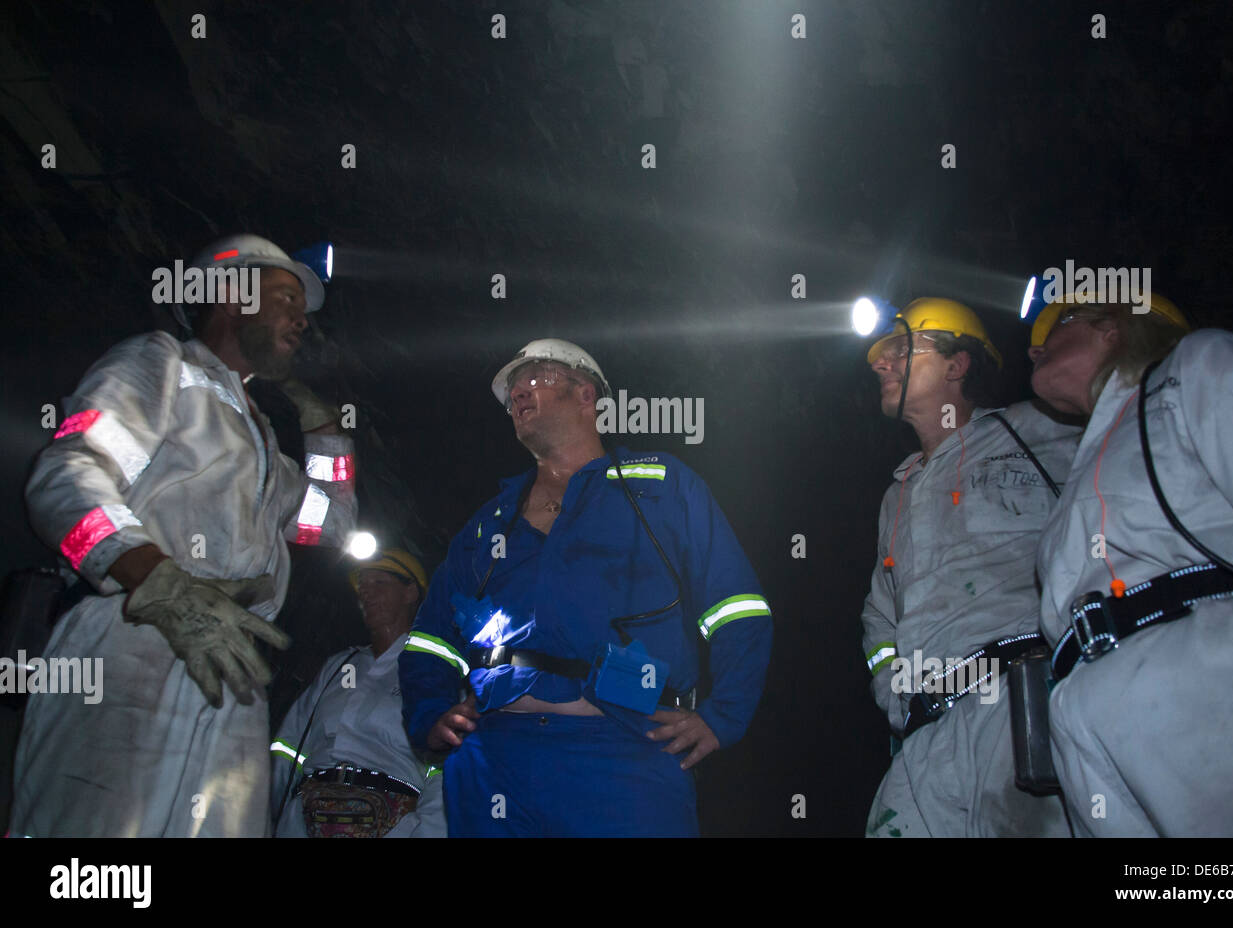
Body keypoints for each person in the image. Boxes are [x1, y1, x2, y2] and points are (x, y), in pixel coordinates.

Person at [11, 234, 356, 837]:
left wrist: (324, 432)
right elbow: (67, 475)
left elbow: (328, 524)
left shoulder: (263, 440)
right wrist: (156, 579)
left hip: (232, 663)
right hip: (134, 635)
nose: (301, 320)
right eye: (285, 298)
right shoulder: (160, 363)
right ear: (229, 294)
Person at [399, 338, 772, 837]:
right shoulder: (491, 521)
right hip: (495, 763)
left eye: (536, 377)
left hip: (628, 755)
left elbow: (738, 608)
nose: (518, 394)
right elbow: (430, 639)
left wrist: (723, 715)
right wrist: (429, 712)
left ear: (586, 394)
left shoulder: (662, 485)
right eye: (512, 391)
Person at [1027, 293, 1233, 836]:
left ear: (1113, 326)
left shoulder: (1204, 364)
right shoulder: (1086, 465)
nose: (1035, 351)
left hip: (1216, 694)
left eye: (1060, 325)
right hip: (1089, 732)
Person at [860, 298, 1080, 837]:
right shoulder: (898, 492)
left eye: (900, 350)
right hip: (926, 730)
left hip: (1024, 700)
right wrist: (896, 695)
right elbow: (880, 616)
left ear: (957, 365)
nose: (880, 364)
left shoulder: (1037, 434)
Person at [271, 548, 446, 838]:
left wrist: (421, 832)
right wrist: (270, 814)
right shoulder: (338, 665)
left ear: (410, 593)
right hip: (303, 817)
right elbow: (288, 747)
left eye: (380, 583)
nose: (366, 592)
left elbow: (445, 768)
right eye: (362, 584)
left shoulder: (433, 670)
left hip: (389, 819)